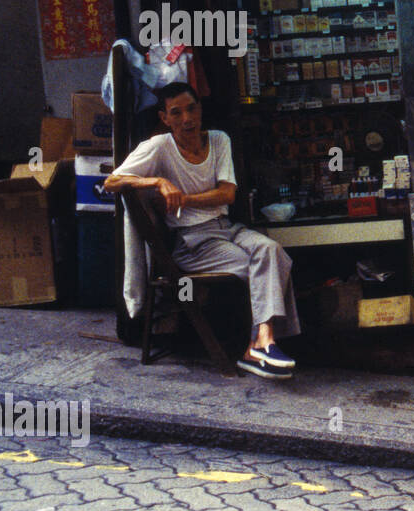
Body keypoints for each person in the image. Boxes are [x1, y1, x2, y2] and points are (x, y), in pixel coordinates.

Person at [104, 82, 301, 380]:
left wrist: (184, 198)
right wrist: (157, 181)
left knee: (273, 252)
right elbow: (112, 181)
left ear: (200, 109)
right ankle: (262, 343)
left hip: (228, 228)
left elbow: (227, 194)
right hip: (193, 241)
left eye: (192, 108)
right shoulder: (160, 147)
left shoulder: (219, 140)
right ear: (164, 118)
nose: (187, 119)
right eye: (177, 112)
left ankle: (258, 344)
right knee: (263, 266)